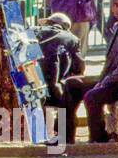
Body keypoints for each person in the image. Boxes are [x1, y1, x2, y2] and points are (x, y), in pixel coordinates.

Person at [60, 0, 118, 144]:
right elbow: (110, 61)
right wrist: (103, 79)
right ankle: (65, 136)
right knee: (72, 85)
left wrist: (106, 81)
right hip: (113, 79)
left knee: (92, 97)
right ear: (111, 8)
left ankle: (98, 138)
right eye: (116, 5)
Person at [36, 13, 84, 144]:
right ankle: (64, 137)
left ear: (50, 23)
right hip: (57, 87)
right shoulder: (72, 39)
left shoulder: (36, 32)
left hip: (35, 85)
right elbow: (79, 67)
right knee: (69, 99)